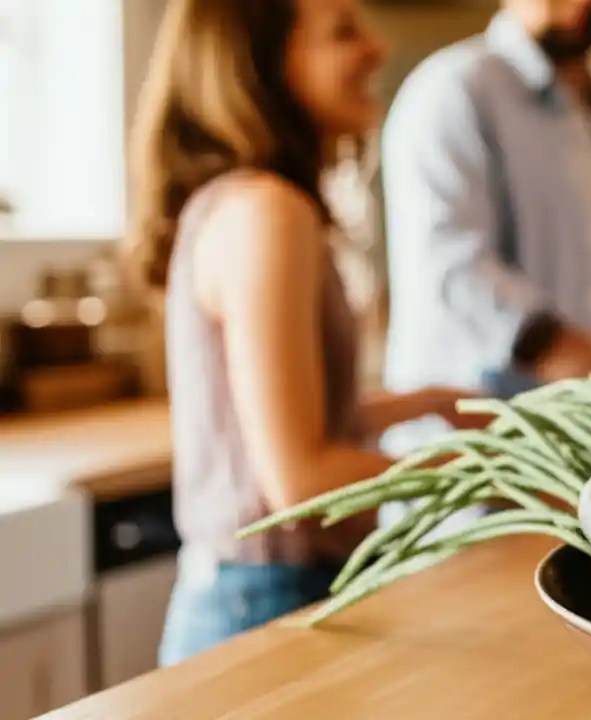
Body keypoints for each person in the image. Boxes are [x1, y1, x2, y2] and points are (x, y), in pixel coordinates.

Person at [128, 0, 485, 666]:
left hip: (261, 594)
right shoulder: (267, 212)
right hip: (264, 602)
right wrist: (488, 470)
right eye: (343, 31)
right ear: (263, 64)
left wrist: (431, 402)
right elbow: (301, 477)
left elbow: (294, 419)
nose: (377, 48)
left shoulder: (247, 202)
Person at [380, 0, 591, 457]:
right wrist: (569, 352)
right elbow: (452, 267)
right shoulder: (454, 90)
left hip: (581, 450)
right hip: (471, 461)